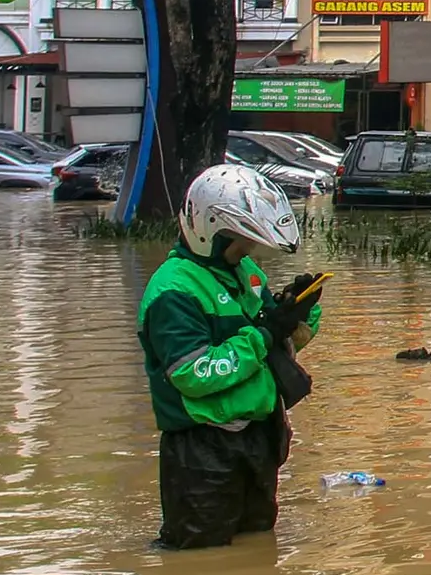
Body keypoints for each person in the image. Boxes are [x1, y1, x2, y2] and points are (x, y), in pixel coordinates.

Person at [139, 164, 324, 550]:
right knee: (197, 560)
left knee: (257, 549)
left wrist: (297, 314)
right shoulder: (175, 290)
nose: (249, 250)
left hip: (258, 438)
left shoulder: (245, 273)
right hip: (203, 450)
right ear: (212, 231)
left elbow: (275, 354)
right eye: (241, 241)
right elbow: (195, 374)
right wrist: (263, 333)